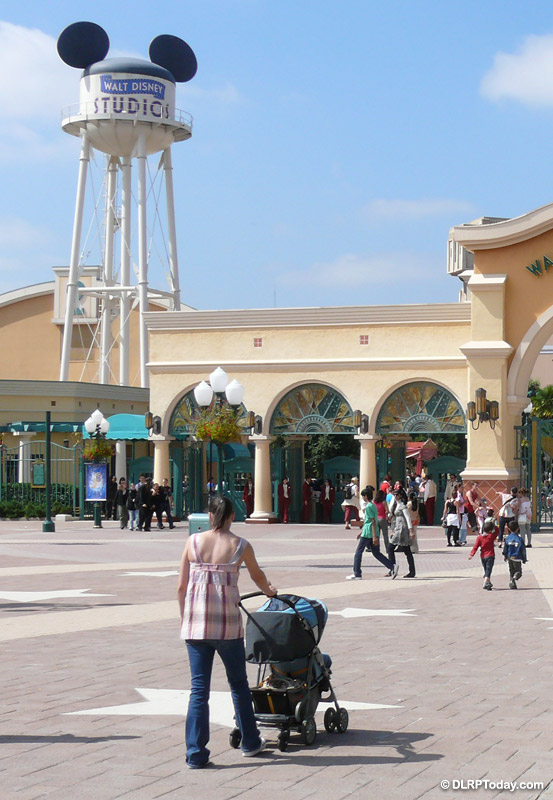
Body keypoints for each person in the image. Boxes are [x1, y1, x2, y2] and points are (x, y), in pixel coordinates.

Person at [177, 496, 277, 768]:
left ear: (210, 515)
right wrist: (270, 591)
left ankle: (196, 754)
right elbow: (258, 576)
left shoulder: (193, 543)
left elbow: (181, 587)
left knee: (198, 690)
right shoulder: (240, 546)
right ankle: (250, 742)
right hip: (228, 627)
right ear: (232, 516)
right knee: (238, 685)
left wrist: (185, 618)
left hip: (196, 627)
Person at [346, 486, 398, 580]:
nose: (362, 498)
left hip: (368, 533)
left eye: (363, 496)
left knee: (358, 553)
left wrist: (373, 536)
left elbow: (372, 521)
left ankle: (357, 573)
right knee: (376, 553)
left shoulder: (369, 506)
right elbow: (370, 521)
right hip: (371, 532)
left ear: (366, 496)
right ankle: (392, 566)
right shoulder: (373, 505)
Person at [387, 487, 416, 578]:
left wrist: (411, 531)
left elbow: (408, 518)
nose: (395, 496)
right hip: (398, 528)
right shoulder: (396, 505)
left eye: (397, 494)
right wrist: (394, 530)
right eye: (394, 494)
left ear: (401, 495)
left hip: (403, 529)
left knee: (394, 548)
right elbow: (395, 520)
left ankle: (394, 568)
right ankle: (394, 568)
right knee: (404, 550)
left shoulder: (403, 506)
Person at [468, 518, 499, 590]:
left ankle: (488, 582)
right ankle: (485, 582)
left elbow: (475, 546)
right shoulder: (491, 536)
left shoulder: (479, 538)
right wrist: (494, 525)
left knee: (486, 569)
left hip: (483, 556)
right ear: (490, 531)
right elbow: (497, 531)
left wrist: (471, 554)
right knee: (489, 570)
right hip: (490, 555)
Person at [503, 519, 527, 590]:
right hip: (517, 557)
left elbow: (505, 549)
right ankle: (514, 578)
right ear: (518, 528)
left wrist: (505, 556)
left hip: (510, 557)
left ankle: (512, 582)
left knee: (511, 571)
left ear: (509, 529)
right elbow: (523, 550)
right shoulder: (520, 539)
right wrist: (524, 558)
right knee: (518, 572)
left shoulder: (507, 538)